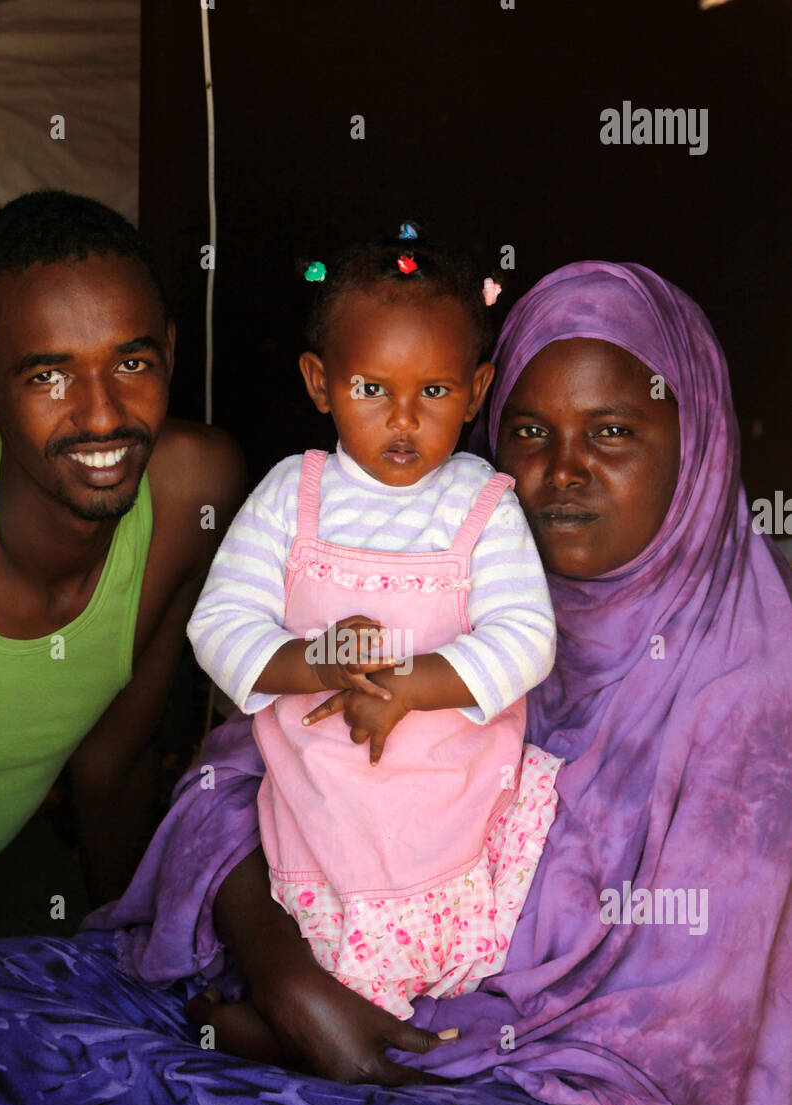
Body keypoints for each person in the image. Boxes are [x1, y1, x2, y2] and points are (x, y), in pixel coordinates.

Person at [0, 262, 789, 1105]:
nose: (561, 470)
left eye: (611, 432)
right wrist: (291, 980)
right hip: (286, 979)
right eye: (528, 432)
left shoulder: (746, 691)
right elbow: (229, 776)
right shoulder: (425, 563)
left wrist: (431, 1053)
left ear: (696, 444)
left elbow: (688, 1049)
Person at [187, 235, 559, 1029]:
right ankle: (294, 1029)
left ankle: (289, 1034)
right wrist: (315, 660)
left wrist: (407, 687)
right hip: (324, 809)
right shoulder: (292, 495)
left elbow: (528, 636)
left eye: (434, 390)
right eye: (371, 389)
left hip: (451, 805)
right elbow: (217, 625)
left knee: (470, 965)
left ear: (477, 390)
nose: (403, 418)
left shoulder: (482, 504)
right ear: (319, 383)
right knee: (338, 970)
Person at [0, 191, 244, 919]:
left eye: (131, 363)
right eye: (48, 376)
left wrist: (123, 942)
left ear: (169, 352)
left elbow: (113, 763)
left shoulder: (191, 489)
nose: (102, 414)